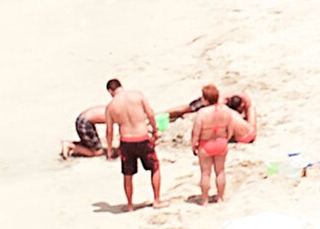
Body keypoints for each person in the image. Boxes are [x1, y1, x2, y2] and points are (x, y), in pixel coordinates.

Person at [105, 78, 162, 211]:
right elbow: (150, 114)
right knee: (154, 168)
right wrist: (155, 130)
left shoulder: (111, 106)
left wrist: (109, 149)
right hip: (142, 137)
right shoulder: (137, 95)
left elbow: (109, 131)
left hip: (126, 141)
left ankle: (130, 205)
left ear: (110, 91)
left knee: (128, 174)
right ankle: (157, 200)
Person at [191, 84, 254, 205]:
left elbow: (196, 132)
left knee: (206, 173)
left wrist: (194, 145)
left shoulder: (202, 113)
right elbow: (230, 129)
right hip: (221, 143)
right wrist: (225, 139)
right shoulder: (226, 111)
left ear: (205, 99)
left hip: (206, 144)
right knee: (220, 171)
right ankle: (220, 197)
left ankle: (204, 200)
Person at [168, 86, 257, 142]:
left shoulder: (237, 100)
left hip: (212, 102)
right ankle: (164, 114)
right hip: (210, 101)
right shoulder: (221, 107)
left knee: (188, 109)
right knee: (187, 109)